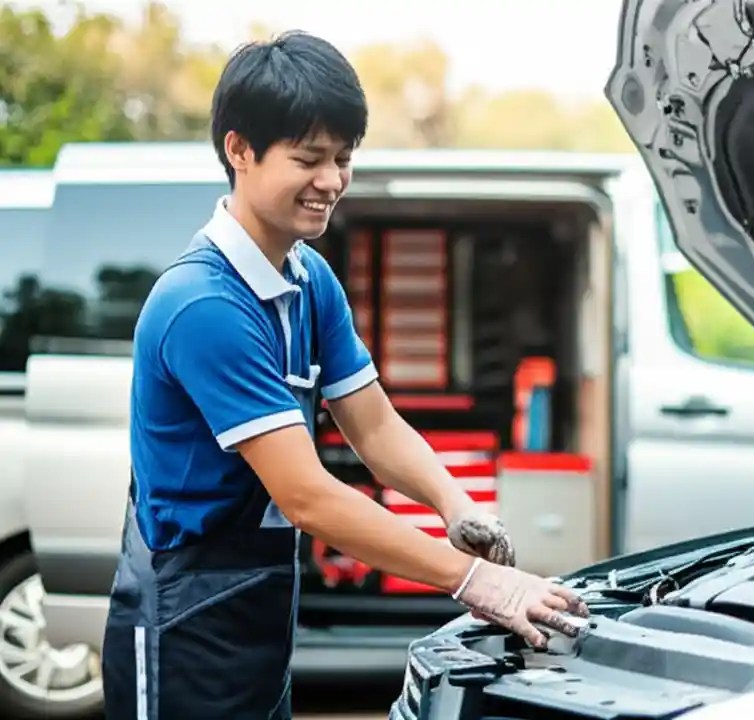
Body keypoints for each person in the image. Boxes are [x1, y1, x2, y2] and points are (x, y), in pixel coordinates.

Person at [100, 30, 588, 719]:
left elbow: (375, 424)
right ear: (239, 150)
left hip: (258, 611)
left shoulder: (307, 276)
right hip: (183, 624)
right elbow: (308, 497)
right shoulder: (205, 305)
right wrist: (475, 581)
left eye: (344, 158)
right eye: (309, 158)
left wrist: (457, 507)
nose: (331, 180)